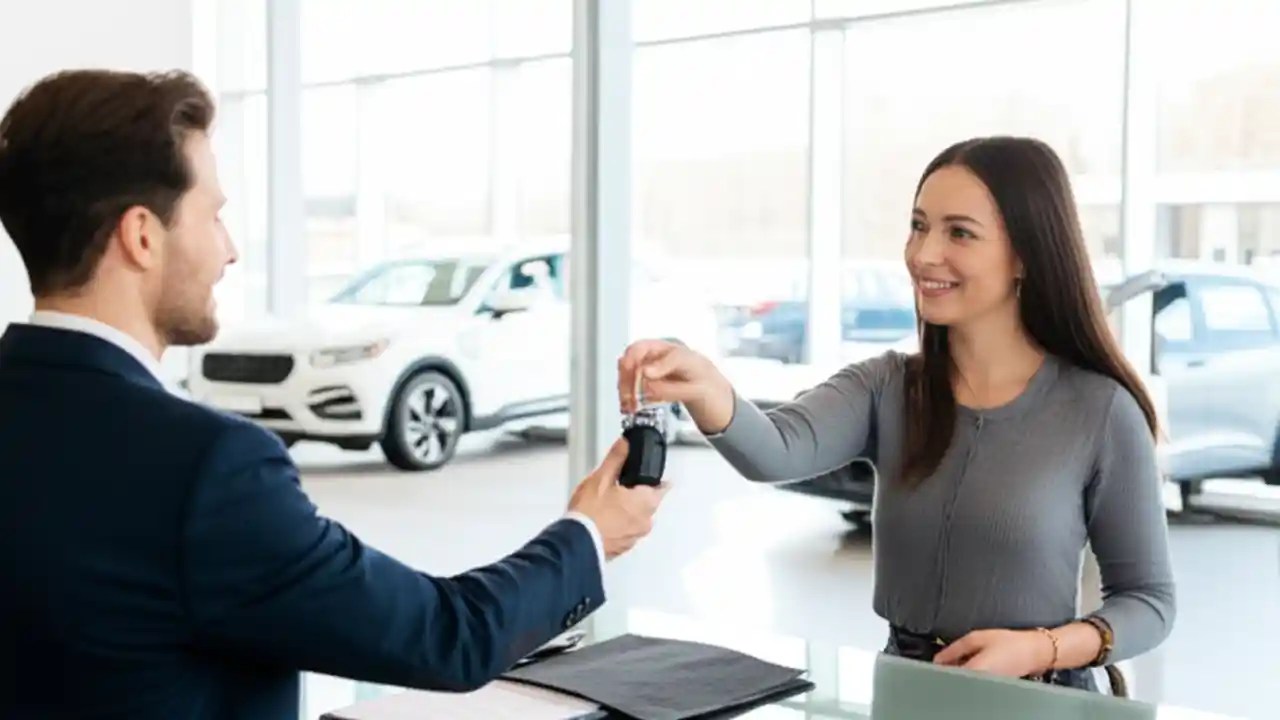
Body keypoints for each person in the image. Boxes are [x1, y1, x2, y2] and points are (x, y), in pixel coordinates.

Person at [0, 69, 665, 719]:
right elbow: (448, 636)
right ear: (142, 236)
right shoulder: (205, 469)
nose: (228, 251)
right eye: (215, 216)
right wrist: (592, 533)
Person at [619, 136, 1175, 692]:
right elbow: (774, 448)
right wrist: (703, 382)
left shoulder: (1100, 411)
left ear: (1025, 255)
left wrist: (1040, 646)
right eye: (918, 225)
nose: (923, 254)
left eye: (959, 232)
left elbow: (1149, 602)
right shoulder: (887, 386)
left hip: (1037, 696)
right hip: (906, 687)